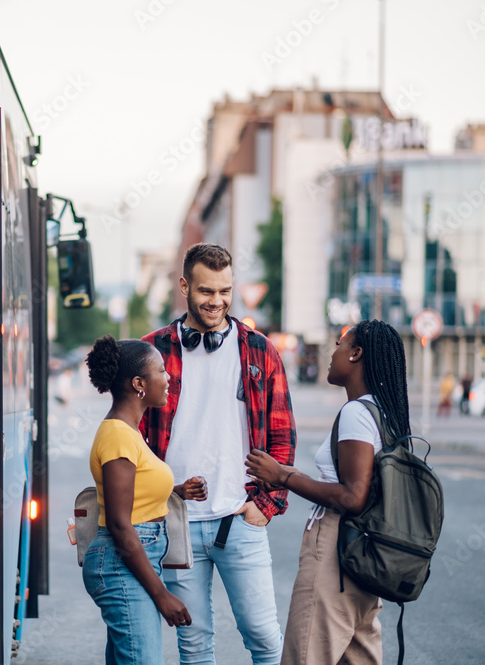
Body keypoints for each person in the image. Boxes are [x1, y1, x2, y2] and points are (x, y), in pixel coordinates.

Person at [139, 243, 295, 665]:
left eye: (226, 291)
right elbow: (130, 441)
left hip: (239, 518)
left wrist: (267, 504)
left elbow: (282, 437)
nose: (217, 301)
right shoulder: (150, 352)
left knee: (264, 637)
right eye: (207, 291)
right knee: (194, 643)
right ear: (185, 286)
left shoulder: (259, 351)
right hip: (177, 523)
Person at [246, 319, 410, 665]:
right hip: (367, 551)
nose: (332, 352)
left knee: (304, 656)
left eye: (340, 343)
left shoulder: (356, 412)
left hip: (337, 550)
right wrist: (290, 474)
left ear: (356, 354)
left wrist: (283, 476)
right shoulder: (384, 412)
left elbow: (352, 496)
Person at [82, 335, 208, 665]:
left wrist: (176, 491)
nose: (169, 378)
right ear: (139, 383)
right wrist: (161, 594)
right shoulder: (119, 435)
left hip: (131, 559)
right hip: (121, 562)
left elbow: (132, 495)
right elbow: (120, 523)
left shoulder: (128, 431)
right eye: (162, 371)